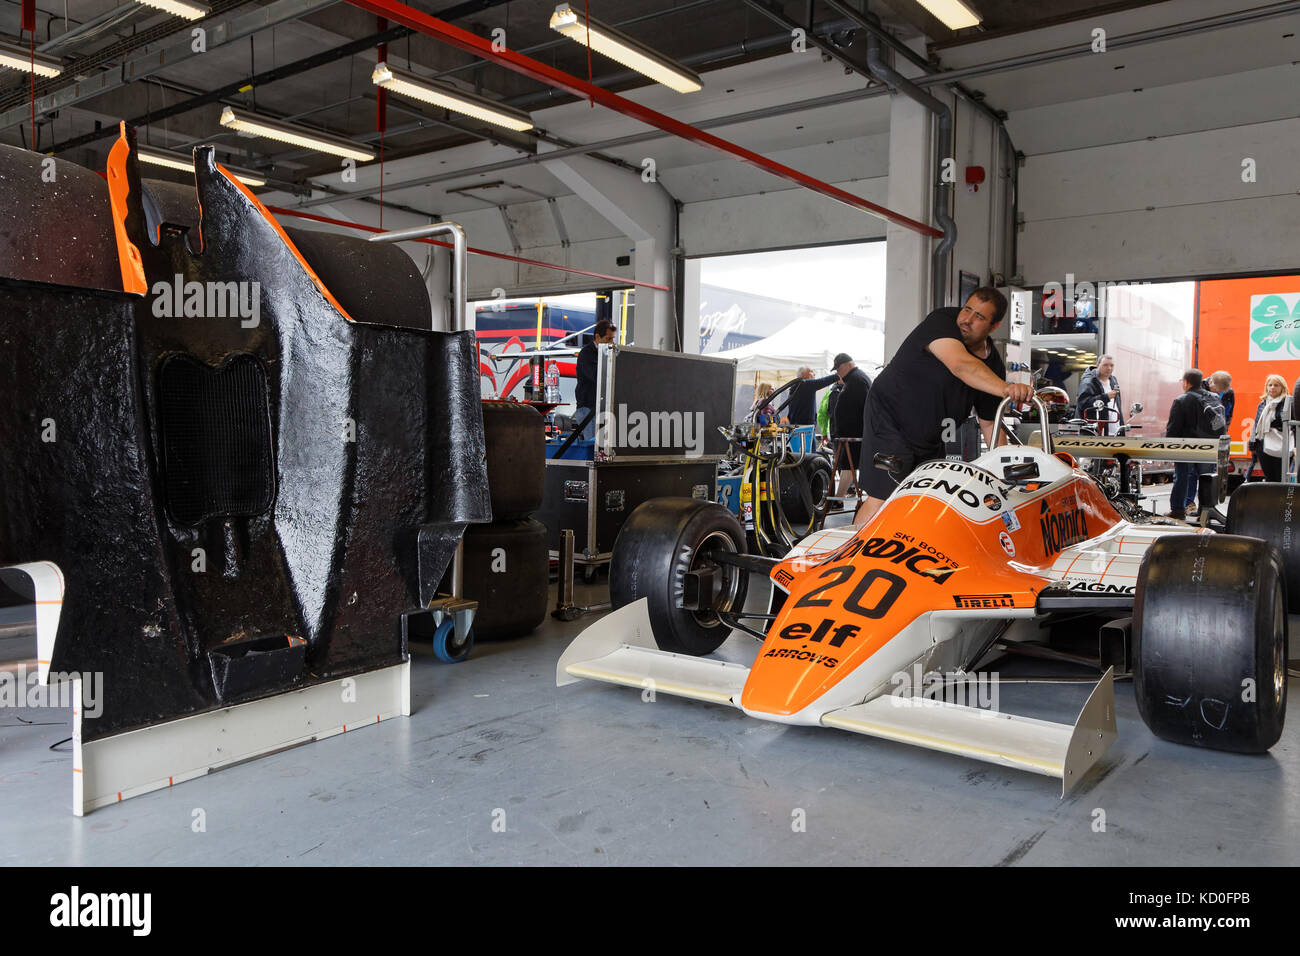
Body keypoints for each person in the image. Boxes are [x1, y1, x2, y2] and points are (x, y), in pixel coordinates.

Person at [853, 288, 1034, 526]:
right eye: (967, 309)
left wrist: (1005, 472)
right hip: (889, 419)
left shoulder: (992, 367)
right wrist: (1007, 389)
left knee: (928, 499)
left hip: (929, 437)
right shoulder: (942, 322)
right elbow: (961, 365)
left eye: (979, 316)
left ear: (994, 326)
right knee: (884, 495)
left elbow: (990, 423)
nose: (967, 319)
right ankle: (850, 555)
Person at [1164, 368, 1218, 519]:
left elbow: (1173, 428)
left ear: (1186, 382)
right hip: (1208, 446)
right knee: (1206, 477)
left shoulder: (1181, 400)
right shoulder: (1213, 397)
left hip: (1186, 446)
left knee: (1182, 477)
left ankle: (1177, 510)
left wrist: (1169, 448)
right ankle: (1205, 511)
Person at [830, 353, 872, 496]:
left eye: (839, 368)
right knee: (848, 466)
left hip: (854, 435)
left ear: (849, 365)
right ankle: (839, 497)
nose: (837, 372)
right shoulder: (855, 379)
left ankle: (839, 498)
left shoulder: (857, 380)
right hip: (851, 434)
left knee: (849, 465)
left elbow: (865, 408)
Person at [574, 319, 616, 440]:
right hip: (587, 409)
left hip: (600, 409)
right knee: (593, 446)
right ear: (597, 337)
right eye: (608, 339)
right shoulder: (586, 354)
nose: (611, 343)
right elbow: (597, 376)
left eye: (612, 339)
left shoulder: (606, 354)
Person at [1249, 374, 1290, 483]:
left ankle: (1282, 499)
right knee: (1269, 477)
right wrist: (1252, 443)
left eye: (1276, 385)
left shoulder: (1288, 403)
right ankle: (1271, 499)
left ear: (1282, 388)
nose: (1272, 387)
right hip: (1263, 444)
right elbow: (1256, 424)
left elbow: (1287, 423)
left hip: (1282, 444)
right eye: (1270, 385)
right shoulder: (1262, 404)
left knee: (1281, 477)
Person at [1076, 355, 1123, 436]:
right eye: (1105, 365)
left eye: (1111, 365)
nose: (1109, 368)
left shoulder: (1113, 380)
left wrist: (1121, 428)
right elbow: (1083, 404)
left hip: (1114, 431)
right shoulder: (1088, 381)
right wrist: (1106, 397)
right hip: (1095, 433)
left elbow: (1117, 407)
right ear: (1097, 365)